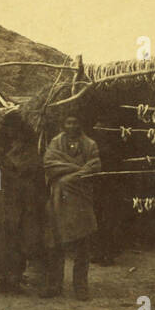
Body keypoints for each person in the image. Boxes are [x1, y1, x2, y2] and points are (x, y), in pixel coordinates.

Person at [0, 110, 47, 294]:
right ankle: (4, 278)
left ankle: (15, 278)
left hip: (24, 202)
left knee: (21, 240)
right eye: (9, 128)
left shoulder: (29, 150)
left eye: (15, 129)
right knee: (2, 241)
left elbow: (33, 174)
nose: (12, 133)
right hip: (3, 202)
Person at [42, 113, 102, 299]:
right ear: (63, 124)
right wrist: (77, 169)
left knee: (83, 246)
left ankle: (81, 287)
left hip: (81, 202)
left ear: (80, 124)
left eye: (75, 121)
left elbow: (94, 167)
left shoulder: (90, 145)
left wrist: (69, 176)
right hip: (59, 201)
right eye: (68, 121)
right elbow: (50, 165)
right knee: (55, 244)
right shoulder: (55, 143)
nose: (72, 125)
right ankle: (54, 285)